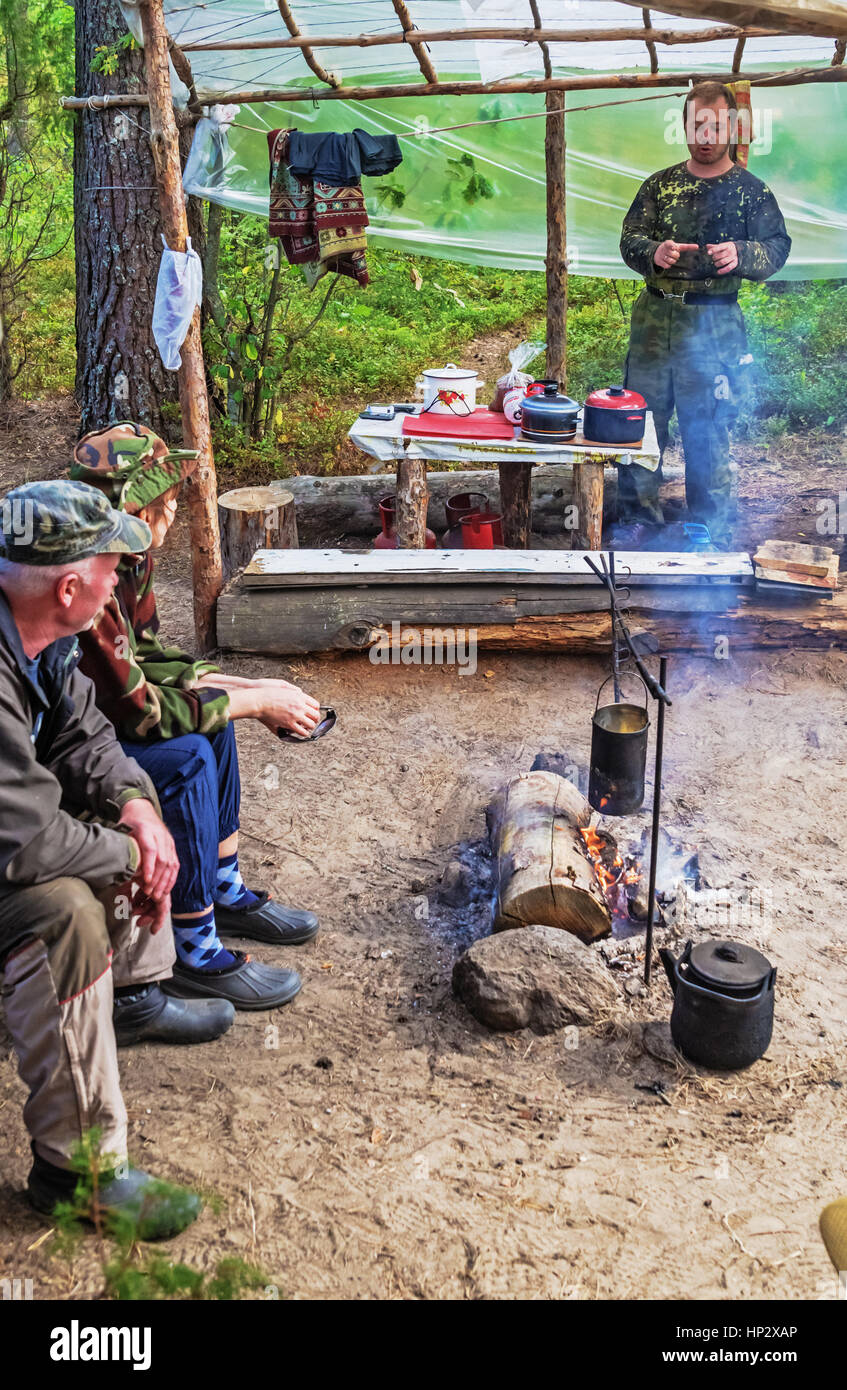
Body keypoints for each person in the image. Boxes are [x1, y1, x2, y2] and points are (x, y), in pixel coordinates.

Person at [0, 481, 234, 1237]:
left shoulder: (41, 632)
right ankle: (77, 1176)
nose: (121, 580)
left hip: (12, 824)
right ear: (70, 586)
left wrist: (135, 807)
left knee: (125, 807)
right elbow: (26, 839)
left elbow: (83, 736)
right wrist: (128, 852)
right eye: (110, 567)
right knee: (62, 913)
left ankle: (130, 996)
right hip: (10, 838)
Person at [69, 422, 322, 1011]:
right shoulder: (87, 581)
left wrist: (247, 688)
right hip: (72, 746)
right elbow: (137, 712)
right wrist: (254, 700)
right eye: (169, 497)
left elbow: (150, 654)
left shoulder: (129, 557)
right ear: (138, 507)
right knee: (185, 756)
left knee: (217, 717)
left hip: (105, 719)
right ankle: (194, 948)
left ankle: (221, 888)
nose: (178, 506)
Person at [618, 80, 791, 543]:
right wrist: (653, 252)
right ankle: (638, 521)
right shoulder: (659, 185)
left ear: (731, 127)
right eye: (697, 125)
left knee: (709, 429)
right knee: (640, 424)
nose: (706, 135)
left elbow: (777, 248)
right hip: (655, 323)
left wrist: (743, 253)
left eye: (715, 126)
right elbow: (629, 239)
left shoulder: (751, 192)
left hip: (715, 326)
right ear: (685, 126)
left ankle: (707, 528)